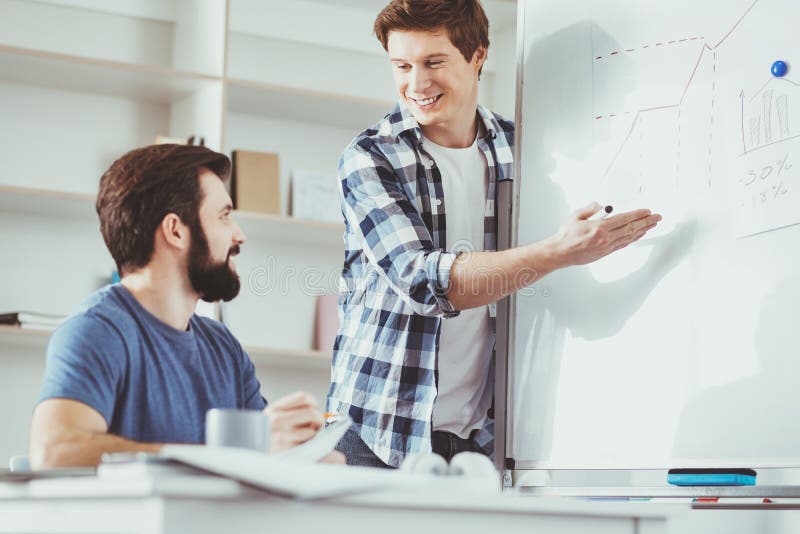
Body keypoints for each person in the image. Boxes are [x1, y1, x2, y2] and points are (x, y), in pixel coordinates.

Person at [327, 0, 662, 468]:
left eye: (433, 62)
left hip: (479, 443)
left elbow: (566, 304)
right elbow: (428, 284)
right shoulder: (370, 159)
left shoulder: (519, 151)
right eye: (402, 66)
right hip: (375, 436)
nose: (416, 84)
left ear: (478, 54)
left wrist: (663, 260)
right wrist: (559, 251)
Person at [29, 144, 342, 469]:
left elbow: (258, 456)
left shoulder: (224, 348)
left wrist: (309, 453)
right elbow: (55, 452)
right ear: (176, 231)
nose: (239, 235)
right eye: (224, 216)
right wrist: (220, 453)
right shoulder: (96, 330)